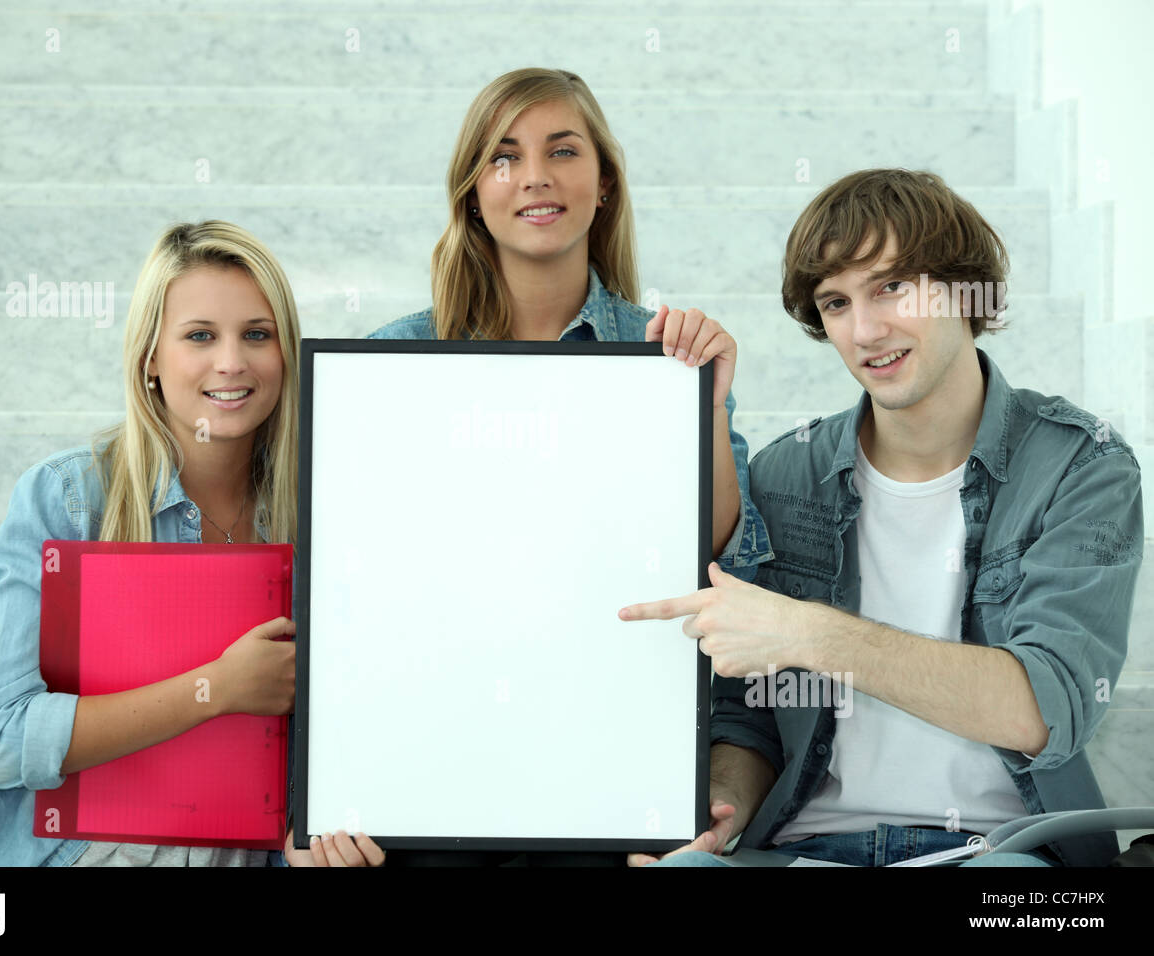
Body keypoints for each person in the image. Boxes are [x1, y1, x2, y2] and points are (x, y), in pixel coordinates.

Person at [620, 169, 1144, 868]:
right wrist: (722, 805)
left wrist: (811, 633)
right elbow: (751, 720)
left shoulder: (1081, 464)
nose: (866, 330)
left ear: (962, 288)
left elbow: (1045, 710)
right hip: (809, 850)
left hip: (1000, 853)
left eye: (892, 286)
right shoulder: (787, 474)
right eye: (836, 302)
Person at [365, 67, 772, 865]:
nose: (536, 176)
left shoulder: (664, 353)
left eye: (563, 150)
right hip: (435, 742)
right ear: (473, 191)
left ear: (604, 184)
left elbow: (723, 552)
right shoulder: (397, 358)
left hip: (611, 745)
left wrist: (708, 400)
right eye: (504, 156)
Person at [0, 220, 381, 867]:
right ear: (151, 356)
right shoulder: (67, 500)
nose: (231, 361)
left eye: (257, 335)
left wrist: (304, 845)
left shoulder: (322, 516)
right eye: (200, 335)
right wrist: (218, 688)